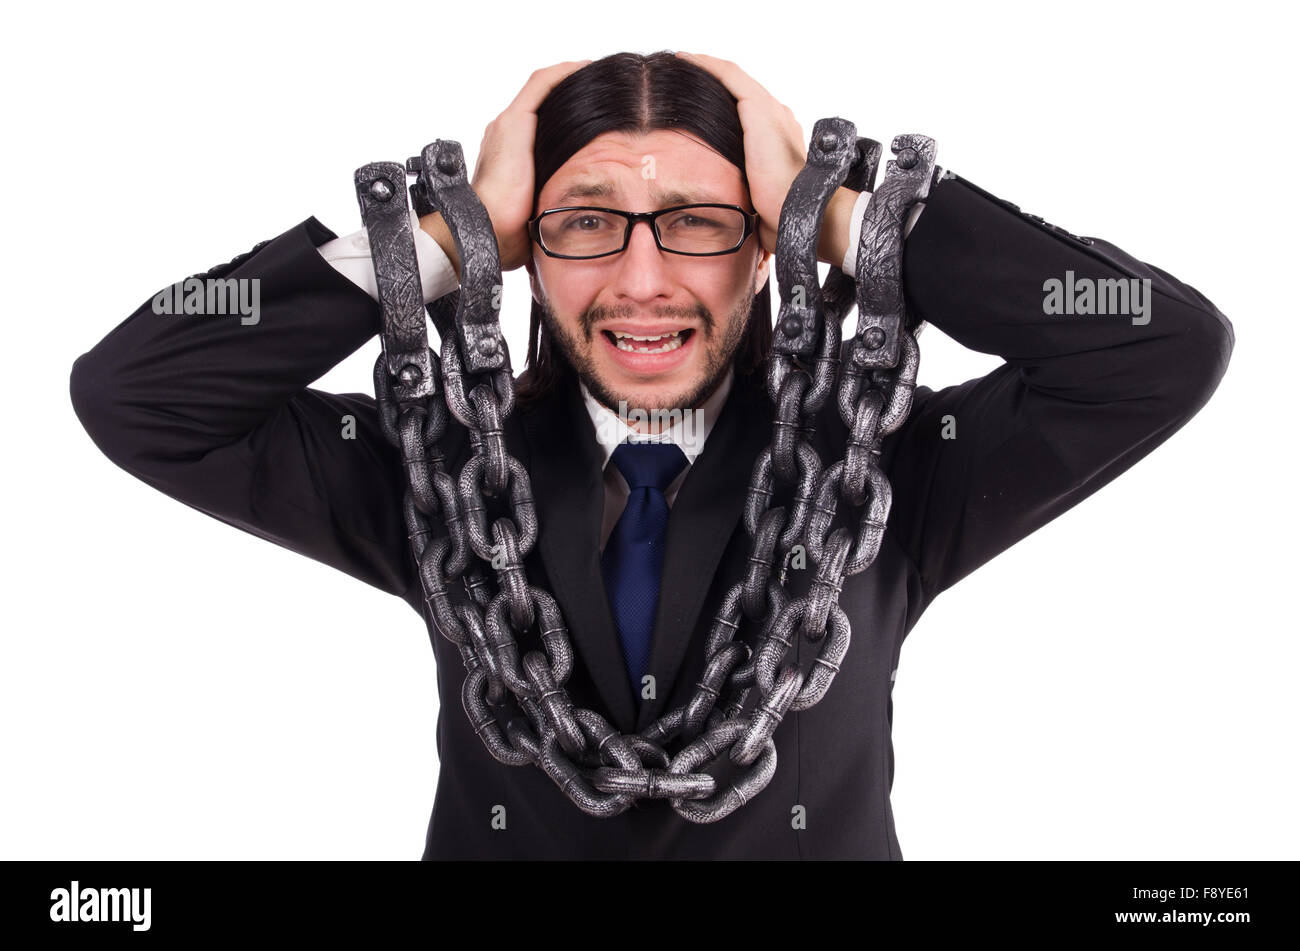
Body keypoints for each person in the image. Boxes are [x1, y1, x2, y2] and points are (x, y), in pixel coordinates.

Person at [68, 50, 1234, 859]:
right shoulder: (426, 475)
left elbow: (1158, 347)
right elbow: (140, 390)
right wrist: (440, 236)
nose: (640, 281)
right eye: (582, 223)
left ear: (763, 240)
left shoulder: (885, 469)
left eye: (699, 221)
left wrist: (848, 219)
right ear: (522, 248)